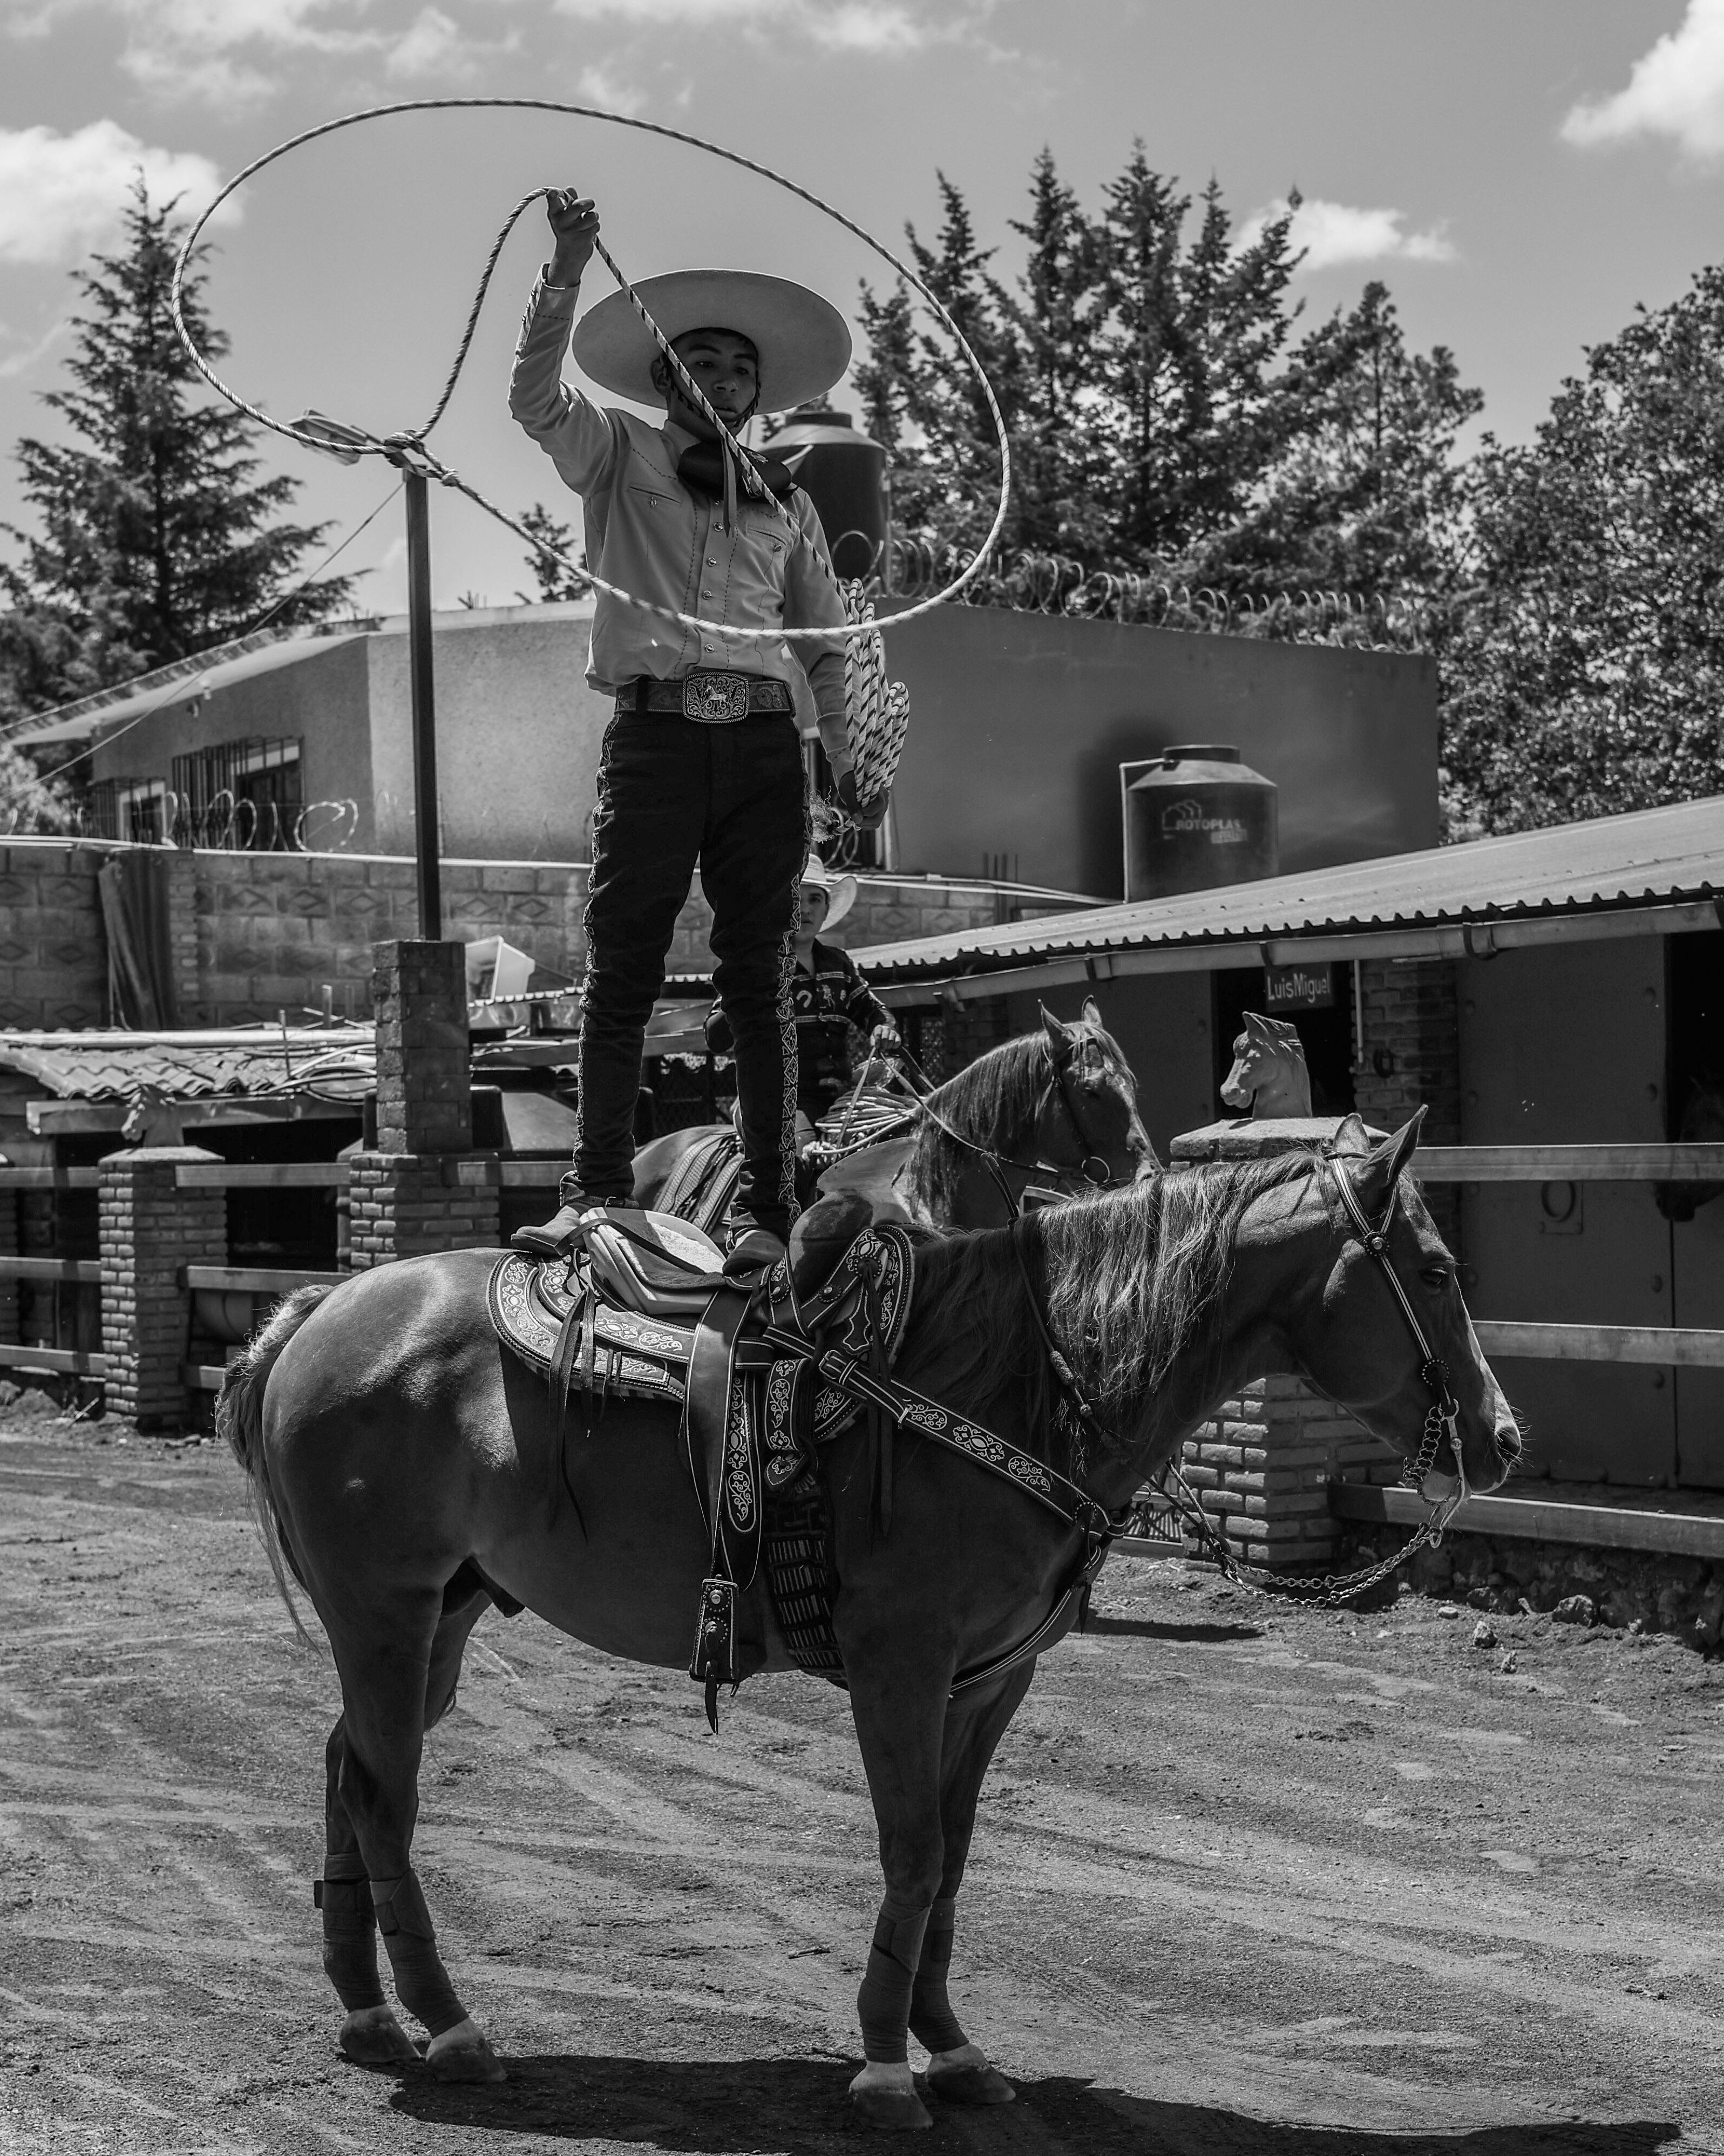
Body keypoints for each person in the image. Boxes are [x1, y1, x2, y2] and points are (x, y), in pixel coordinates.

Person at [506, 191, 886, 1274]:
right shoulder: (618, 452)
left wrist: (845, 750)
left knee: (757, 977)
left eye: (737, 367)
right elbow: (534, 400)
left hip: (765, 746)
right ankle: (594, 1196)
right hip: (659, 737)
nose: (720, 377)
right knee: (621, 966)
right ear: (669, 376)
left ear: (757, 388)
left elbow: (819, 638)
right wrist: (568, 269)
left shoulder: (789, 500)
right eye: (701, 361)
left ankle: (766, 1204)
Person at [706, 856, 900, 1128]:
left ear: (825, 909)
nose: (805, 909)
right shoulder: (756, 964)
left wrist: (884, 1028)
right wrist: (746, 983)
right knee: (798, 1158)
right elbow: (716, 1039)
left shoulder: (840, 963)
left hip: (842, 1098)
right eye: (795, 898)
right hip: (774, 1103)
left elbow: (872, 1011)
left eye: (815, 900)